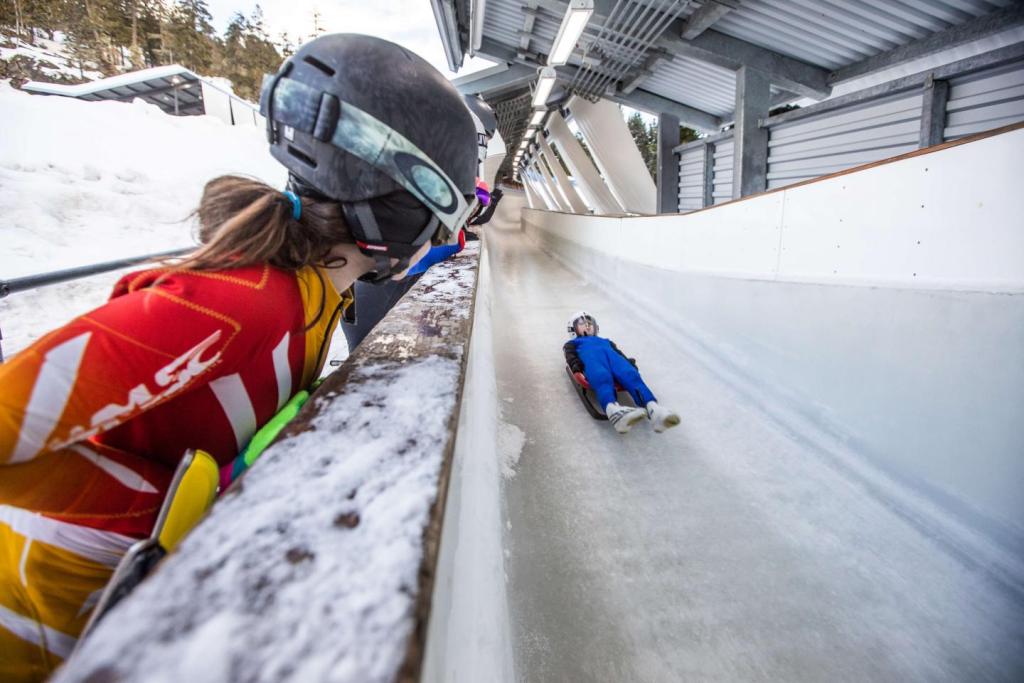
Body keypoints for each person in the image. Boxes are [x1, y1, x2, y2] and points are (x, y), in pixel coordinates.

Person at [0, 33, 479, 682]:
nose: (449, 239)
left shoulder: (316, 294)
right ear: (398, 201)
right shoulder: (242, 303)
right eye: (447, 213)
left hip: (116, 603)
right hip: (46, 620)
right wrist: (141, 508)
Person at [340, 93, 501, 351]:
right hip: (376, 282)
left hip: (376, 281)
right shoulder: (408, 185)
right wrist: (458, 234)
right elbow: (426, 241)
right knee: (366, 349)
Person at [563, 311, 680, 434]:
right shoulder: (572, 344)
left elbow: (619, 354)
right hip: (593, 360)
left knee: (630, 374)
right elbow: (571, 357)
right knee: (601, 376)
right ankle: (612, 409)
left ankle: (653, 409)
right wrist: (576, 369)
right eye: (582, 324)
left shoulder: (607, 341)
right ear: (573, 329)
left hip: (614, 360)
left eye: (589, 323)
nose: (587, 326)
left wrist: (629, 363)